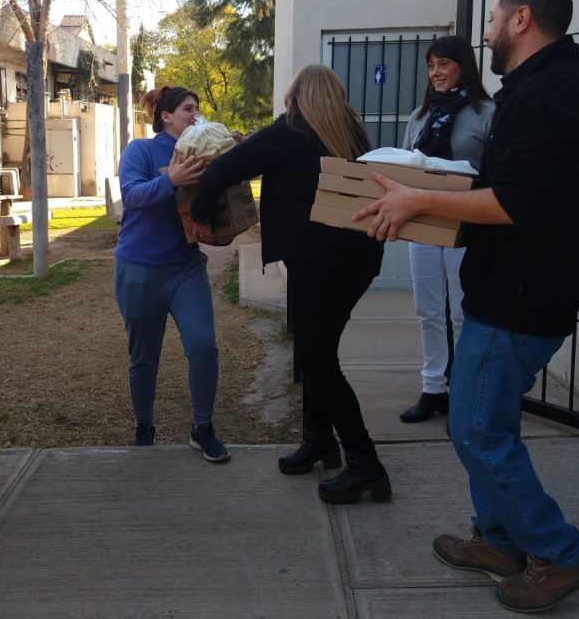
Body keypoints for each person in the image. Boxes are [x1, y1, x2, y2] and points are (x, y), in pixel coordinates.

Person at [354, 0, 579, 612]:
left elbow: (517, 202)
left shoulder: (546, 95)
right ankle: (499, 541)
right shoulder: (544, 88)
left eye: (495, 17)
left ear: (521, 19)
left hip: (521, 297)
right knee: (484, 421)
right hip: (515, 288)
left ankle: (562, 553)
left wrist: (417, 197)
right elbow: (517, 191)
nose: (488, 30)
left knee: (477, 431)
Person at [189, 64, 387, 504]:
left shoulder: (290, 132)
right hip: (358, 260)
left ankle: (365, 463)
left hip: (318, 262)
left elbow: (223, 171)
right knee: (315, 350)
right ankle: (319, 441)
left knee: (318, 359)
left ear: (296, 98)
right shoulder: (349, 132)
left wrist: (201, 213)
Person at [113, 86, 230, 463]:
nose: (196, 116)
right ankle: (145, 427)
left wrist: (234, 152)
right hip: (139, 268)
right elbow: (130, 196)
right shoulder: (142, 151)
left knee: (203, 345)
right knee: (144, 358)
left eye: (197, 110)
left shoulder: (203, 151)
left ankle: (202, 428)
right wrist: (171, 179)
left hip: (184, 265)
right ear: (166, 116)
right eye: (188, 109)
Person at [398, 37, 494, 424]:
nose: (435, 73)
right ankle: (433, 387)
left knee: (462, 312)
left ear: (463, 67)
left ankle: (465, 392)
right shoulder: (418, 117)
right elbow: (405, 167)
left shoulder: (488, 113)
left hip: (465, 227)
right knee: (428, 310)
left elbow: (495, 174)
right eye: (431, 65)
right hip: (423, 226)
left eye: (444, 64)